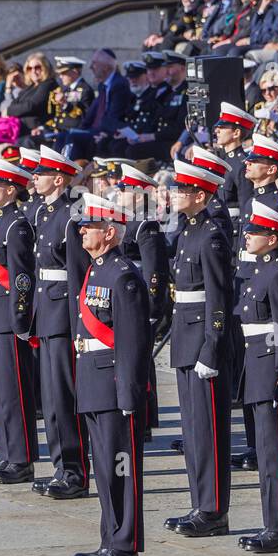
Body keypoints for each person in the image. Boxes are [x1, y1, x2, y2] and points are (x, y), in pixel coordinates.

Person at [69, 193, 150, 556]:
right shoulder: (96, 270)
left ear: (112, 232)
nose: (83, 230)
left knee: (120, 466)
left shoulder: (123, 275)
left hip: (114, 382)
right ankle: (109, 537)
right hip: (92, 378)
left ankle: (125, 546)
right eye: (84, 225)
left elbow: (133, 341)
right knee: (103, 466)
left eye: (92, 226)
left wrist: (130, 392)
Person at [165, 158, 235, 538]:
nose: (177, 194)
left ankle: (213, 510)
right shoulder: (188, 231)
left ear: (202, 194)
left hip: (202, 342)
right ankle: (200, 503)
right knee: (193, 430)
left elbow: (218, 297)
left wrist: (212, 346)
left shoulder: (210, 235)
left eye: (184, 189)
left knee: (208, 431)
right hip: (184, 337)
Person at [235, 201, 278, 553]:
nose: (247, 236)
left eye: (255, 232)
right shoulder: (260, 270)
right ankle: (272, 522)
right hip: (257, 367)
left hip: (273, 373)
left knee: (277, 452)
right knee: (266, 451)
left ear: (273, 239)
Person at [29, 145, 92, 498]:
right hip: (46, 312)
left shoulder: (72, 215)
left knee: (66, 397)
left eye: (41, 173)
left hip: (64, 315)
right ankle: (59, 465)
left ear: (59, 178)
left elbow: (77, 275)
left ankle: (75, 471)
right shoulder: (43, 212)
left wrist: (79, 324)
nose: (34, 178)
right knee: (51, 399)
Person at [0, 157, 39, 483]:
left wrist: (21, 318)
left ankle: (21, 458)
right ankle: (5, 454)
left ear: (10, 190)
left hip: (10, 318)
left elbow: (22, 278)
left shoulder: (17, 225)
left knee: (15, 391)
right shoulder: (0, 221)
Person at [115, 162, 169, 440]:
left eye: (124, 188)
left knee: (140, 362)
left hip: (139, 300)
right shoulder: (123, 221)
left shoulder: (146, 225)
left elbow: (155, 272)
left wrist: (151, 308)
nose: (119, 192)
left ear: (138, 193)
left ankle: (145, 418)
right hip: (124, 298)